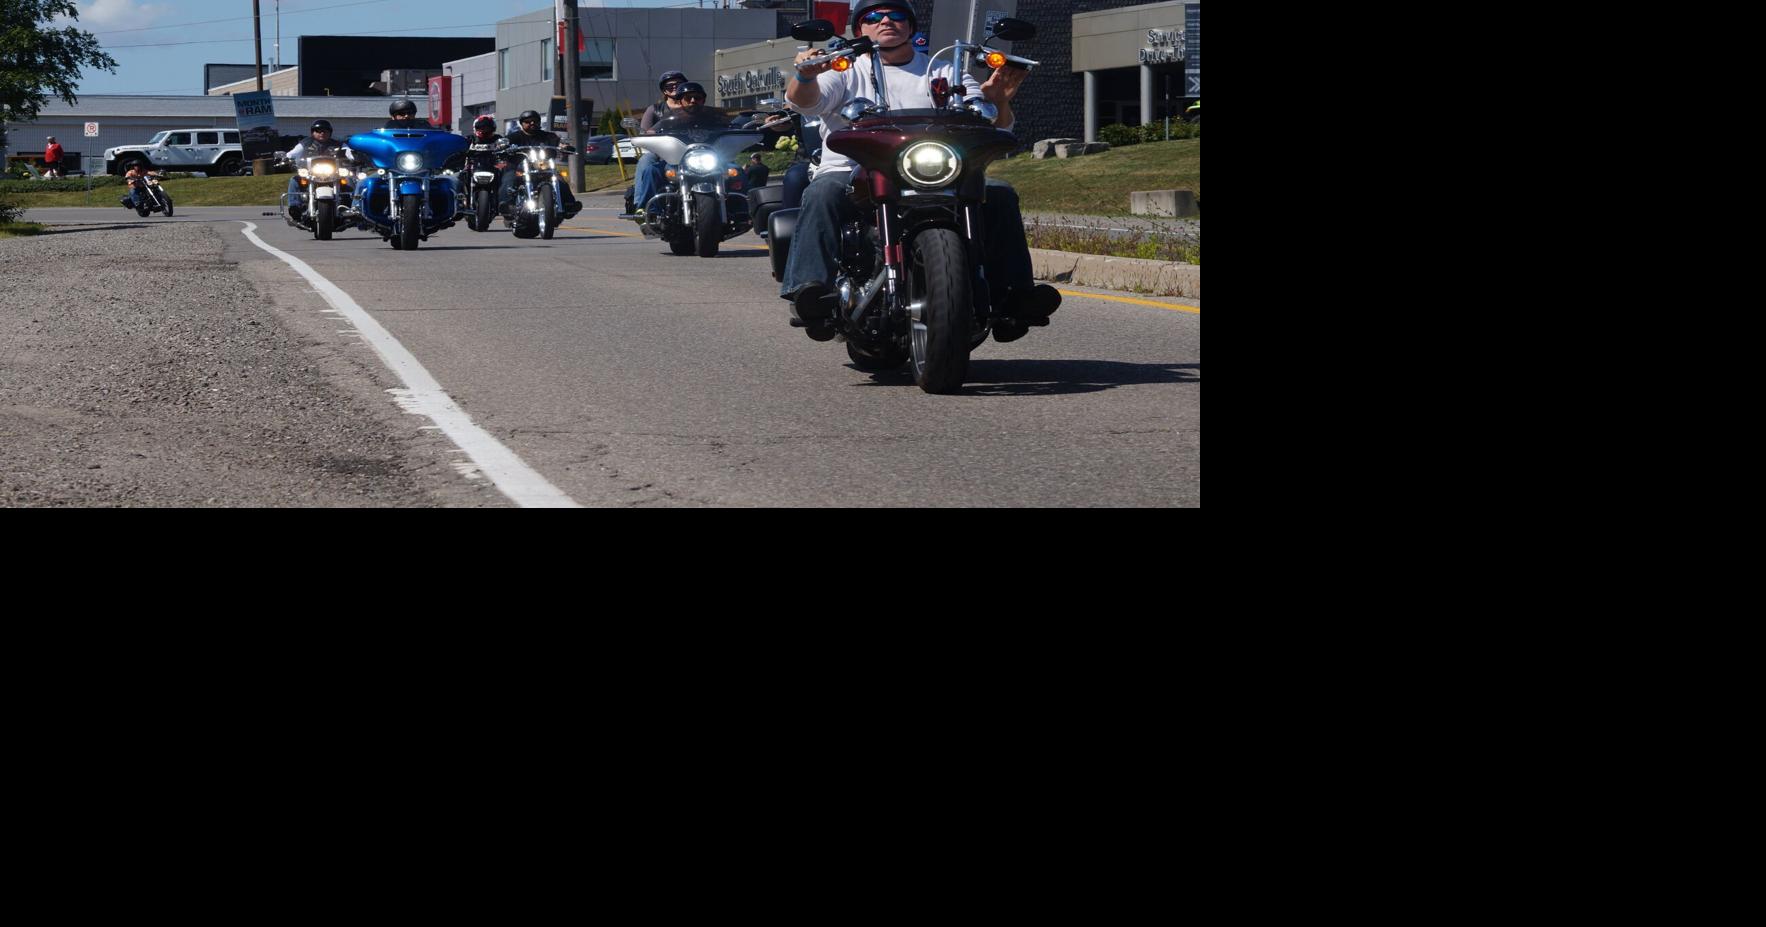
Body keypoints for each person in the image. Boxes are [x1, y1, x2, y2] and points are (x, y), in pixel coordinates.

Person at [780, 0, 1059, 343]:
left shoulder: (942, 71)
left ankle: (1014, 294)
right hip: (855, 168)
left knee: (999, 193)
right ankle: (811, 291)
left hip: (935, 169)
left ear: (910, 27)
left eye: (896, 15)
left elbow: (988, 119)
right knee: (822, 191)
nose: (886, 21)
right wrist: (804, 75)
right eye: (874, 17)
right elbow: (805, 101)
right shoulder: (845, 69)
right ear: (859, 29)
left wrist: (997, 99)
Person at [499, 109, 582, 219]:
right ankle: (508, 207)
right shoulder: (515, 137)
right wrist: (503, 147)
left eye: (535, 121)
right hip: (519, 167)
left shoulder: (548, 136)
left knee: (559, 180)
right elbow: (504, 144)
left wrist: (564, 147)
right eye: (528, 121)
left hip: (543, 167)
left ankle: (569, 206)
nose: (532, 123)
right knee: (508, 180)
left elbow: (559, 143)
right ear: (522, 123)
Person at [628, 71, 689, 217]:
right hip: (663, 153)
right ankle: (640, 205)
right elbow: (644, 133)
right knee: (646, 160)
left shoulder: (693, 105)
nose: (674, 87)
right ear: (664, 90)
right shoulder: (655, 109)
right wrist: (650, 134)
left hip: (691, 152)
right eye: (670, 86)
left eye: (679, 84)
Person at [283, 120, 344, 220]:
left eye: (325, 131)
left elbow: (350, 153)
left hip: (333, 174)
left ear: (330, 132)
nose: (322, 133)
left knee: (350, 180)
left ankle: (354, 208)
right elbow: (292, 153)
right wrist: (285, 157)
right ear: (313, 132)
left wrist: (355, 156)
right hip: (310, 174)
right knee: (294, 180)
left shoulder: (338, 144)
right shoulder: (305, 143)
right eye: (318, 131)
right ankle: (295, 207)